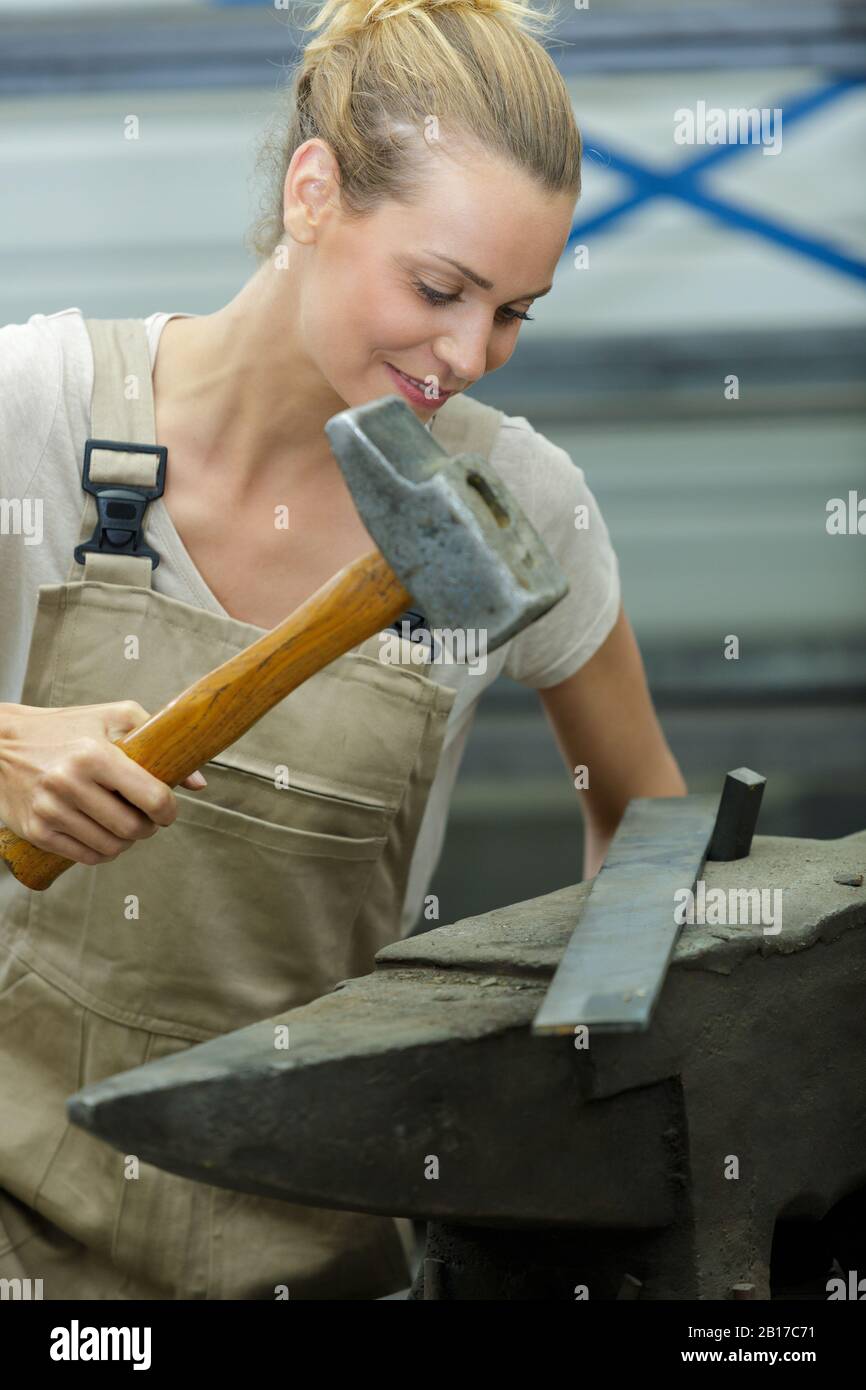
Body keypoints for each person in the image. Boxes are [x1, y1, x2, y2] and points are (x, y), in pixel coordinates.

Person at [0, 0, 686, 1300]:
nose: (465, 357)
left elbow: (645, 810)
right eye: (437, 288)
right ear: (312, 190)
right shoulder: (33, 406)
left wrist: (576, 1052)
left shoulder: (524, 497)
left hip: (327, 1237)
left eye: (512, 313)